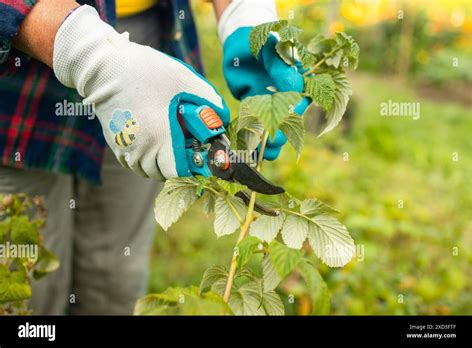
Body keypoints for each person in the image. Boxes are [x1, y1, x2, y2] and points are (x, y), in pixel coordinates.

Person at [0, 0, 308, 314]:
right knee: (24, 285)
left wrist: (243, 13)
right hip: (18, 67)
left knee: (116, 276)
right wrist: (86, 52)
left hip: (149, 52)